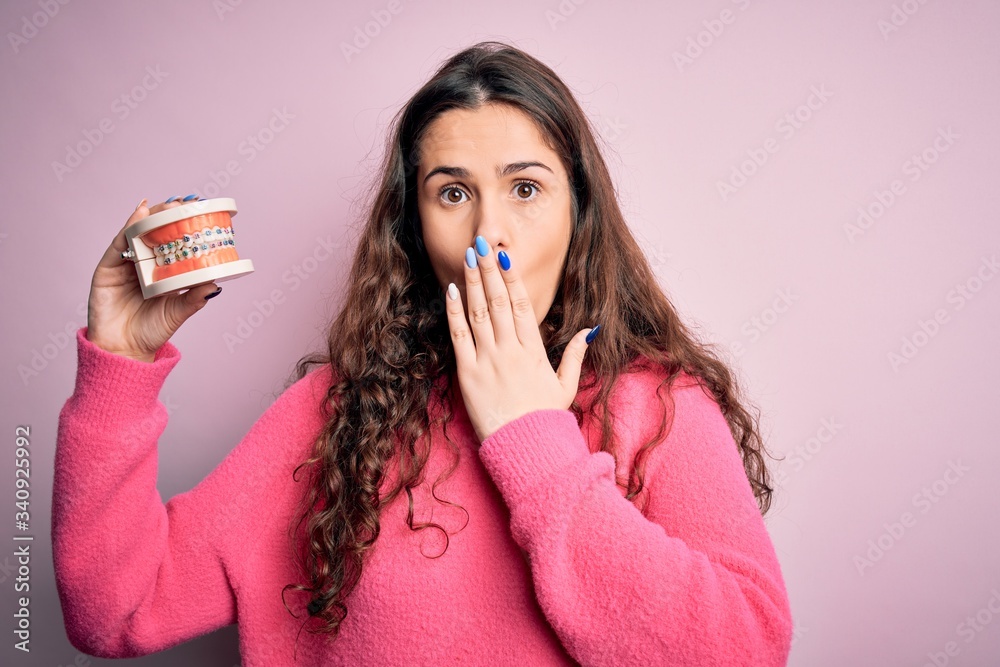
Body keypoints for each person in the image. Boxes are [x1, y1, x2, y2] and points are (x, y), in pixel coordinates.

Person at [53, 41, 794, 666]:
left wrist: (536, 444)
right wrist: (117, 363)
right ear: (413, 226)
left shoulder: (658, 406)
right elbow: (115, 607)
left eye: (526, 188)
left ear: (580, 213)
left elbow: (744, 648)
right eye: (451, 193)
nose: (488, 233)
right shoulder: (337, 414)